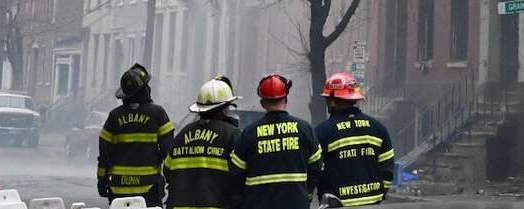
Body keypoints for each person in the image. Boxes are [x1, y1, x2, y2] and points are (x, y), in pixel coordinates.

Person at [230, 73, 322, 209]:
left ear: (262, 103)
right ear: (286, 99)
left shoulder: (249, 134)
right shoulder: (305, 129)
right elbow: (316, 167)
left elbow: (236, 173)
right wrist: (305, 195)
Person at [97, 63, 174, 205]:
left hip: (118, 189)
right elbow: (169, 154)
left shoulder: (114, 116)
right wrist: (173, 181)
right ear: (145, 90)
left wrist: (102, 180)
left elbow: (104, 154)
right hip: (149, 189)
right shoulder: (158, 114)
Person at [314, 72, 395, 208]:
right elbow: (388, 167)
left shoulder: (323, 131)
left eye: (328, 99)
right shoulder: (378, 128)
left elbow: (315, 171)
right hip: (373, 202)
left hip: (337, 203)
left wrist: (322, 195)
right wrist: (379, 193)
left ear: (333, 101)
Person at [164, 76, 243, 209]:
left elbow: (167, 170)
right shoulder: (232, 135)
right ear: (225, 108)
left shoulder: (183, 134)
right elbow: (241, 178)